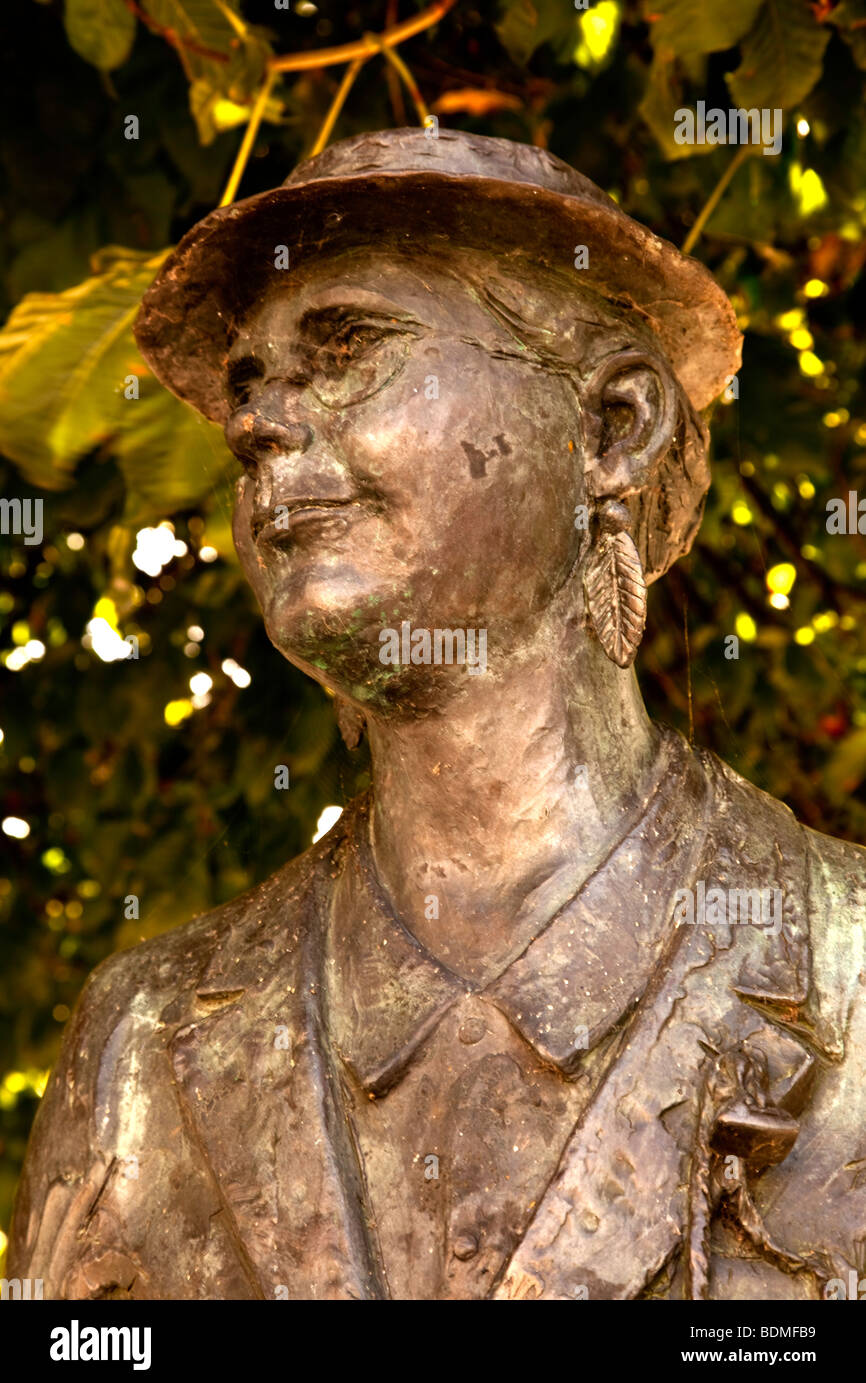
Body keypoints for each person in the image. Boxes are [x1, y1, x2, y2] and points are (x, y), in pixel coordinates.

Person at [8, 128, 866, 1301]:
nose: (258, 424)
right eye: (248, 389)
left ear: (612, 428)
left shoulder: (849, 967)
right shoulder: (138, 1043)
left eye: (347, 343)